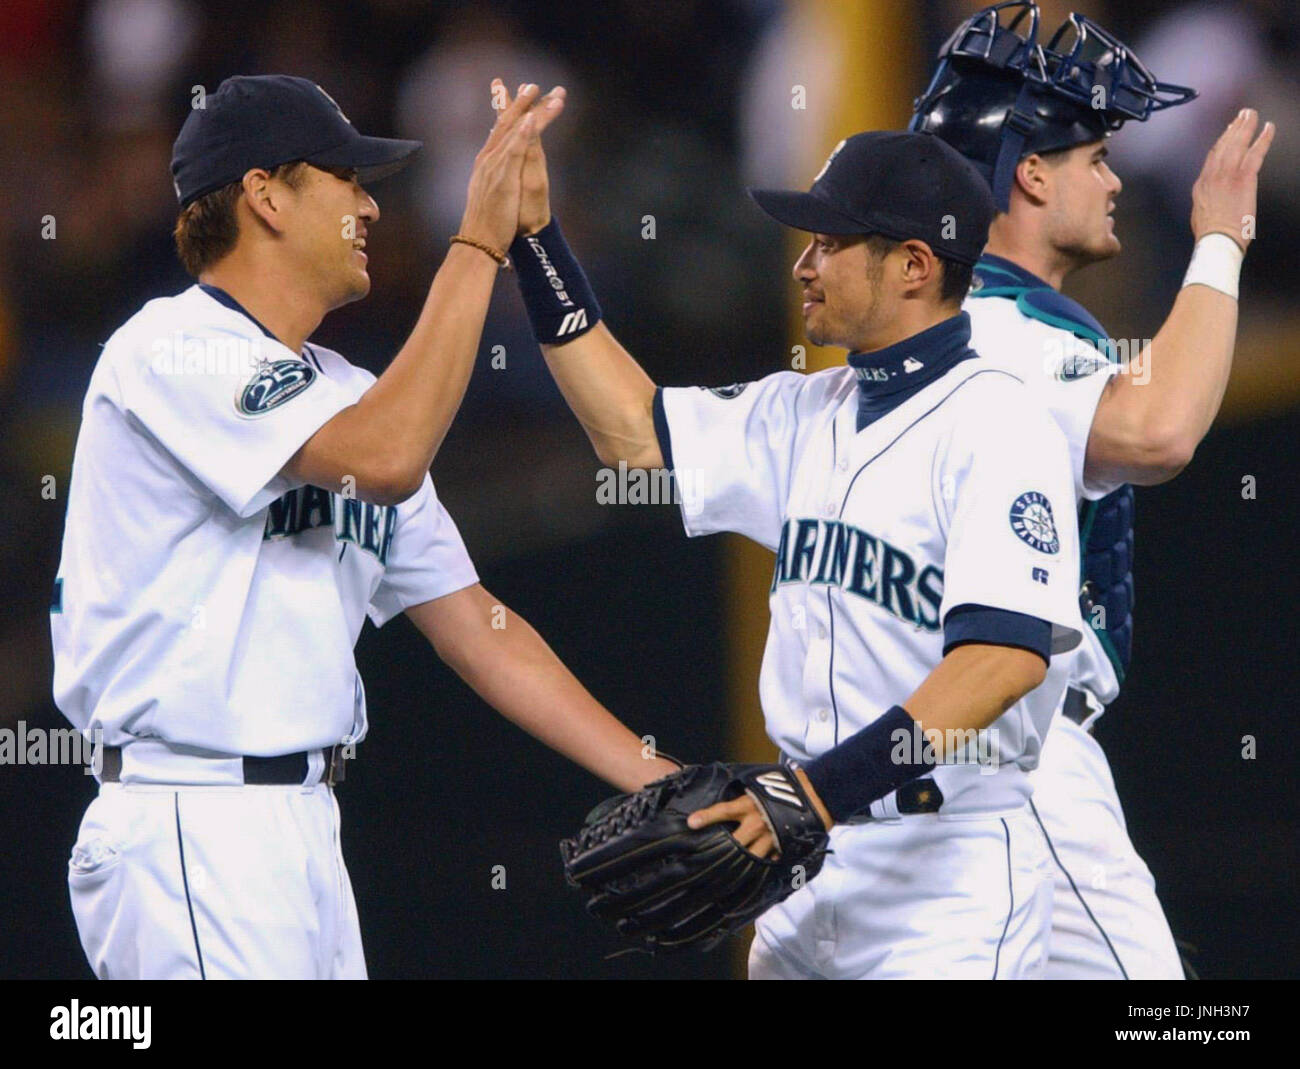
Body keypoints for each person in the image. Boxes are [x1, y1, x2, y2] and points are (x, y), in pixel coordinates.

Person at [50, 74, 675, 980]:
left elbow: (479, 626)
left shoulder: (342, 392)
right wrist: (477, 242)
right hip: (190, 814)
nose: (371, 207)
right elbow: (387, 456)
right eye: (347, 178)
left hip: (301, 825)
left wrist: (658, 776)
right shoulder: (168, 346)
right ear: (265, 194)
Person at [505, 102, 1086, 977]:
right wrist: (538, 243)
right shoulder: (806, 408)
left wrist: (818, 793)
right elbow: (630, 431)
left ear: (915, 266)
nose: (804, 263)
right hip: (800, 857)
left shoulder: (998, 422)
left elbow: (1002, 660)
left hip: (946, 878)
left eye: (829, 243)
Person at [910, 1, 1274, 978]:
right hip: (1010, 751)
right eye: (1093, 159)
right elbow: (1157, 430)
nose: (1113, 180)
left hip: (916, 744)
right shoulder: (994, 325)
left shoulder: (938, 324)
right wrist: (1219, 243)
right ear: (1029, 171)